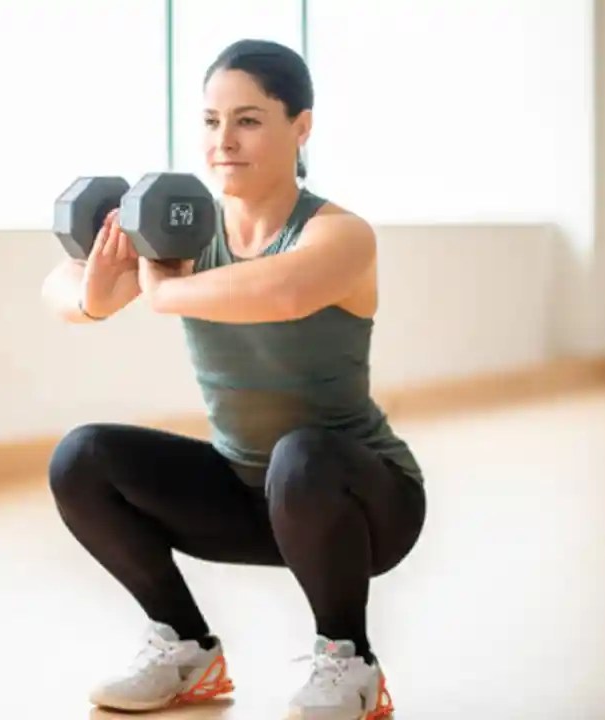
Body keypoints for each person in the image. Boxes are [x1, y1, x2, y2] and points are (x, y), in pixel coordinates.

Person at [39, 38, 427, 720]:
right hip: (245, 495)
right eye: (212, 121)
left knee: (299, 454)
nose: (225, 140)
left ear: (300, 126)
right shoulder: (187, 234)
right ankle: (189, 652)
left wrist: (158, 290)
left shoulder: (339, 236)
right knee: (82, 457)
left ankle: (351, 663)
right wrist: (95, 293)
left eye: (248, 119)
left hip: (362, 503)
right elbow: (58, 287)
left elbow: (277, 295)